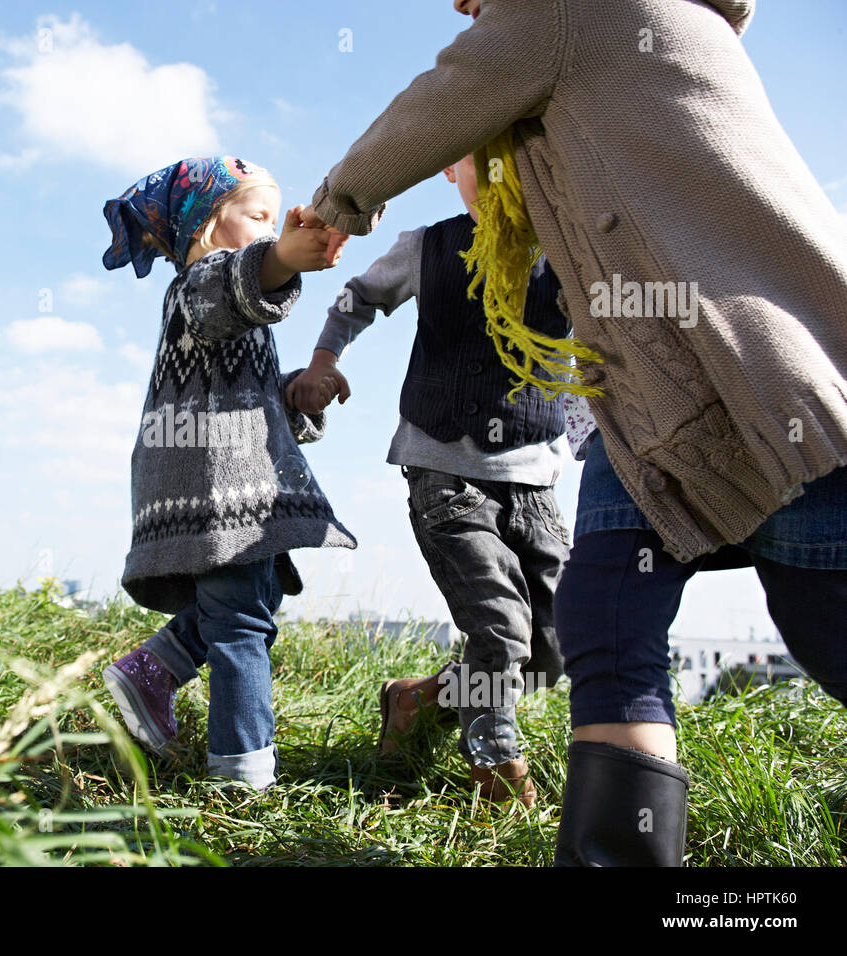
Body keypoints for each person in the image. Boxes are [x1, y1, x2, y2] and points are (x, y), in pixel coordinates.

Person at [300, 0, 847, 863]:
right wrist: (326, 353)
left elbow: (444, 96)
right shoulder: (665, 34)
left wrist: (332, 206)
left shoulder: (568, 8)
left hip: (753, 384)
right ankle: (565, 810)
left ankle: (433, 707)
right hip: (637, 417)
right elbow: (374, 285)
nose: (459, 5)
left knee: (809, 614)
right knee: (593, 617)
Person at [289, 154, 570, 808]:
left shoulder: (569, 248)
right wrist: (326, 359)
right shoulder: (429, 246)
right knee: (499, 633)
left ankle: (415, 699)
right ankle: (499, 782)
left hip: (535, 481)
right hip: (445, 472)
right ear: (450, 165)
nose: (503, 170)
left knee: (550, 649)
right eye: (484, 156)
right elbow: (358, 297)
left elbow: (614, 335)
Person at [99, 156, 356, 789]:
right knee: (242, 619)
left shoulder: (223, 305)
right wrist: (288, 254)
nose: (271, 230)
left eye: (276, 219)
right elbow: (251, 276)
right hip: (213, 486)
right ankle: (241, 773)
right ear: (209, 226)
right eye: (259, 216)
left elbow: (251, 390)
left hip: (229, 483)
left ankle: (154, 667)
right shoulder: (201, 286)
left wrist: (296, 391)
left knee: (256, 599)